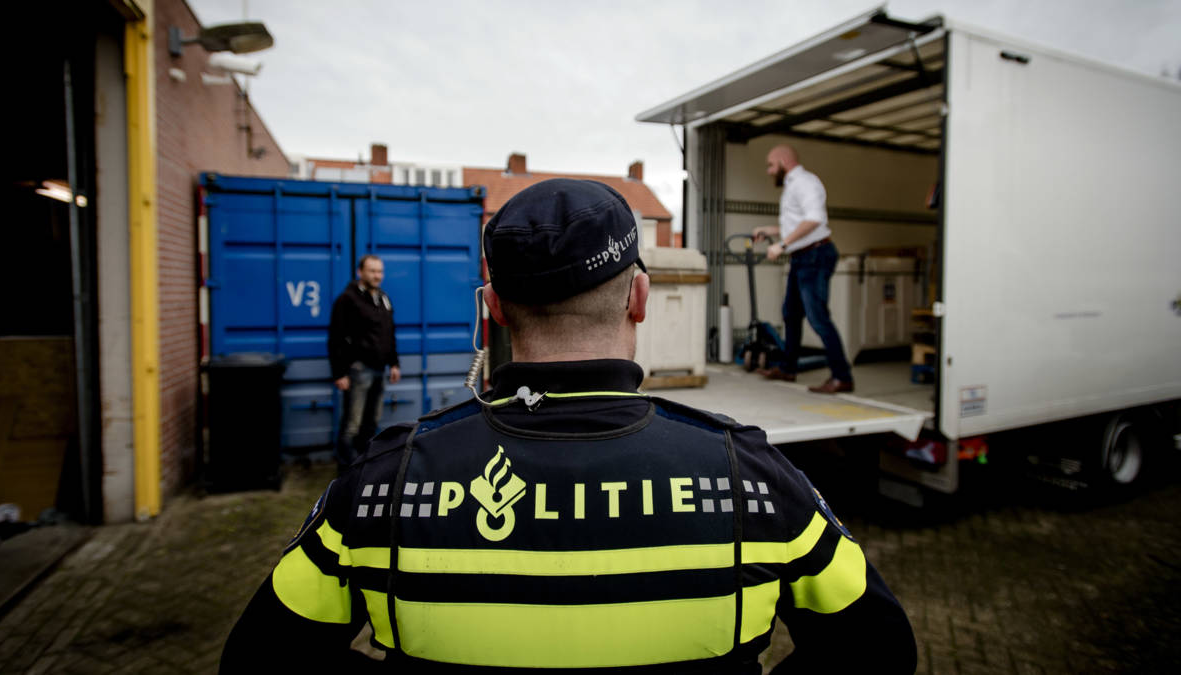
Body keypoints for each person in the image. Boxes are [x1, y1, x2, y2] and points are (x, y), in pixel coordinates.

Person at [221, 179, 916, 673]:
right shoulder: (750, 479)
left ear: (494, 307)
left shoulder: (382, 485)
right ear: (639, 296)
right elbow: (881, 649)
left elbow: (258, 660)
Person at [753, 144, 854, 394]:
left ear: (783, 161)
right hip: (802, 257)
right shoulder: (792, 186)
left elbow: (815, 219)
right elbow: (798, 224)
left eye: (771, 165)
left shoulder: (806, 183)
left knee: (817, 317)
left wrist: (782, 245)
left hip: (815, 255)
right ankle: (788, 369)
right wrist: (770, 230)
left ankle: (842, 377)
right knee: (791, 314)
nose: (768, 171)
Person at [328, 254, 401, 473]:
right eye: (372, 271)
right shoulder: (347, 300)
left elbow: (389, 332)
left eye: (380, 271)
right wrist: (339, 373)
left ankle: (363, 470)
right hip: (358, 370)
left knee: (372, 422)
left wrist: (394, 363)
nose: (377, 276)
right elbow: (336, 337)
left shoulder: (383, 298)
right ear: (360, 272)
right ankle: (345, 473)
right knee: (352, 424)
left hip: (380, 369)